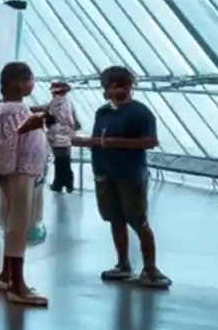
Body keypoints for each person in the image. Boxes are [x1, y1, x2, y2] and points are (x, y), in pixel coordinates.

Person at [71, 66, 171, 289]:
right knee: (115, 218)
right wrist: (89, 142)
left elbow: (150, 141)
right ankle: (123, 264)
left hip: (130, 175)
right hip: (105, 173)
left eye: (118, 86)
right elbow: (98, 140)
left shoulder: (140, 113)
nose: (112, 91)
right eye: (108, 86)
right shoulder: (102, 113)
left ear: (128, 86)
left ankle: (151, 269)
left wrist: (111, 143)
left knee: (138, 220)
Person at [0, 62, 50, 307]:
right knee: (18, 225)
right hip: (19, 174)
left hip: (22, 173)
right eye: (30, 80)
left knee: (13, 224)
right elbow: (5, 144)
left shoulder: (7, 109)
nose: (32, 85)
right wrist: (26, 128)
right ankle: (18, 285)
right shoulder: (10, 111)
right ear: (18, 83)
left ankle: (7, 274)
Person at [46, 82, 79, 193]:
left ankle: (59, 184)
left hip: (57, 135)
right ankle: (67, 183)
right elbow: (75, 121)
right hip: (68, 135)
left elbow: (50, 120)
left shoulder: (54, 103)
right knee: (65, 160)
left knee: (60, 161)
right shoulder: (69, 103)